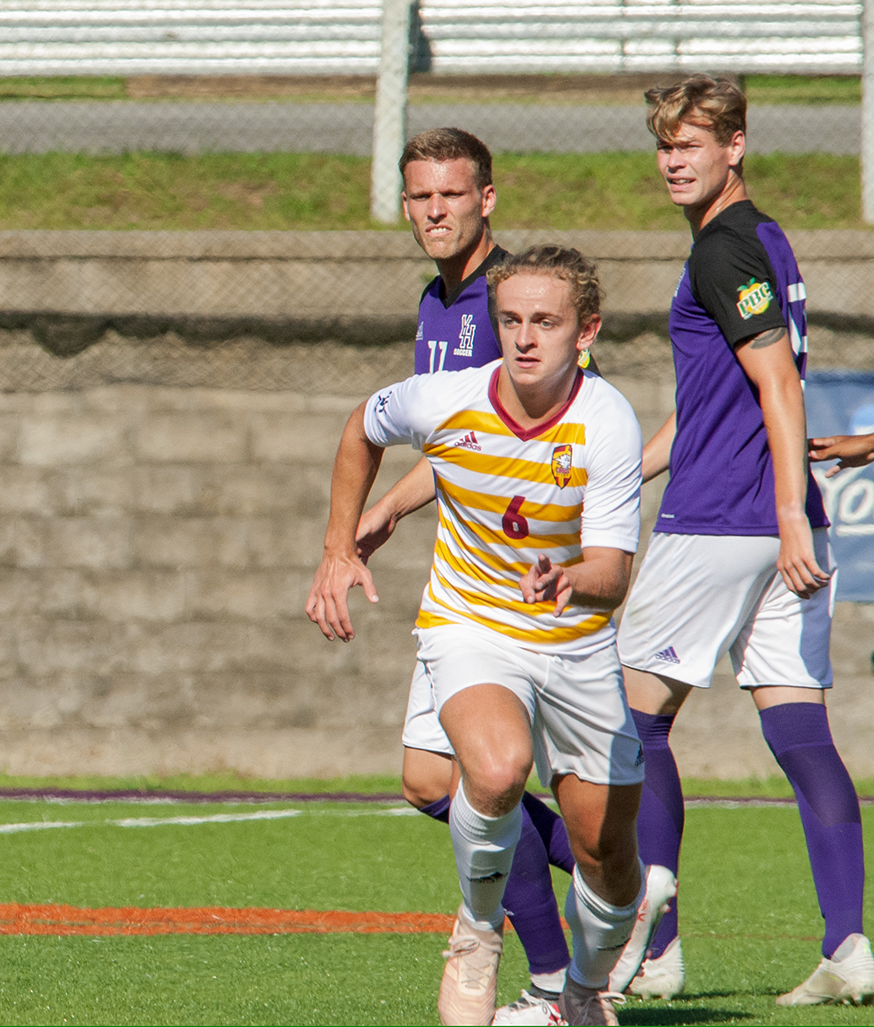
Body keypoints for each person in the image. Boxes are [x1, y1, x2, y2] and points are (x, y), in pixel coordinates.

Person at [308, 245, 647, 1026]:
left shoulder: (606, 421)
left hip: (575, 643)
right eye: (512, 320)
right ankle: (477, 933)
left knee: (607, 858)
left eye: (546, 322)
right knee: (494, 773)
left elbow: (612, 572)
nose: (525, 337)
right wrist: (338, 546)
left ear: (585, 332)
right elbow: (362, 427)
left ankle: (584, 987)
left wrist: (568, 578)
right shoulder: (446, 398)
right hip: (472, 624)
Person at [609, 74, 871, 1006]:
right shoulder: (766, 239)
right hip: (776, 524)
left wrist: (791, 509)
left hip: (723, 519)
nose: (673, 160)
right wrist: (619, 476)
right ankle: (848, 948)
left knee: (631, 725)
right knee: (800, 733)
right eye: (664, 144)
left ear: (736, 146)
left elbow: (779, 387)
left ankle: (656, 949)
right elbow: (714, 400)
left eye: (692, 143)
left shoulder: (722, 251)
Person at [348, 128, 590, 1025]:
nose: (434, 211)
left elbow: (563, 416)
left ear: (486, 199)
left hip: (513, 580)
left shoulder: (511, 302)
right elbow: (459, 439)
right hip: (462, 571)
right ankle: (615, 877)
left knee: (481, 778)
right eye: (420, 197)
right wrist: (392, 505)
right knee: (430, 780)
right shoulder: (436, 300)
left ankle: (559, 976)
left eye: (451, 195)